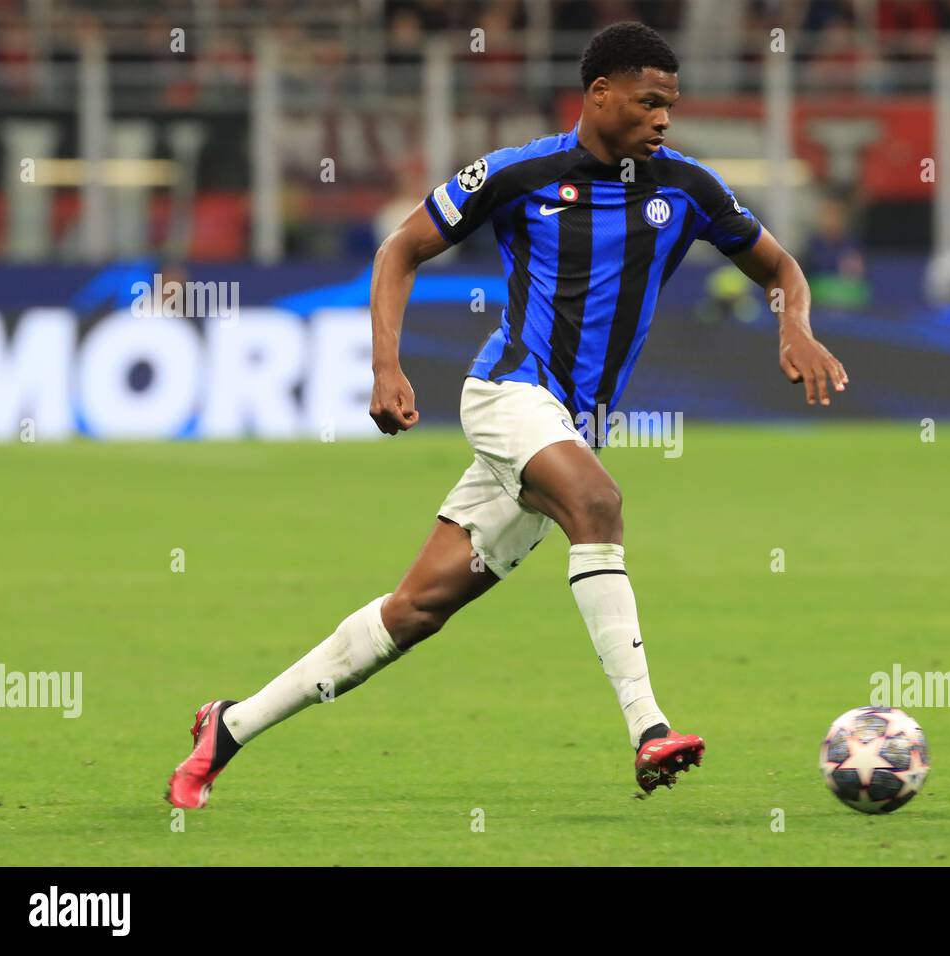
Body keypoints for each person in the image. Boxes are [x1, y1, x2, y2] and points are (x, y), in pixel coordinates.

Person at [166, 21, 847, 808]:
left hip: (568, 427)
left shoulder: (687, 188)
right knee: (598, 503)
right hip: (508, 392)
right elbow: (400, 249)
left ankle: (229, 727)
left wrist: (795, 323)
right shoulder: (521, 173)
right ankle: (649, 728)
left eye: (671, 105)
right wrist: (386, 365)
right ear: (600, 96)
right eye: (649, 101)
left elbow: (781, 267)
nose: (664, 118)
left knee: (415, 611)